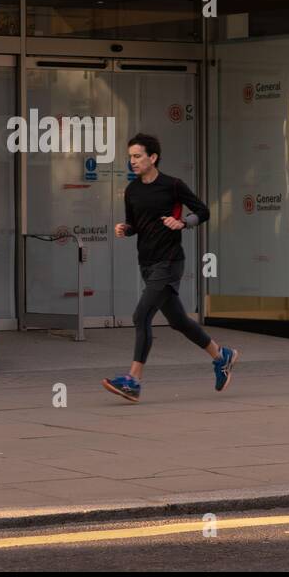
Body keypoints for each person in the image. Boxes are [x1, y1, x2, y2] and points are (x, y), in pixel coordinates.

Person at [102, 133, 237, 403]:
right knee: (178, 321)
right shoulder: (132, 191)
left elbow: (204, 211)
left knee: (141, 316)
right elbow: (136, 225)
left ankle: (133, 381)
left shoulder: (173, 185)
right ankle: (221, 356)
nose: (133, 162)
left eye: (138, 156)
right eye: (130, 157)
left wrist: (184, 222)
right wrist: (125, 229)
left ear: (153, 158)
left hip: (170, 261)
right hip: (148, 263)